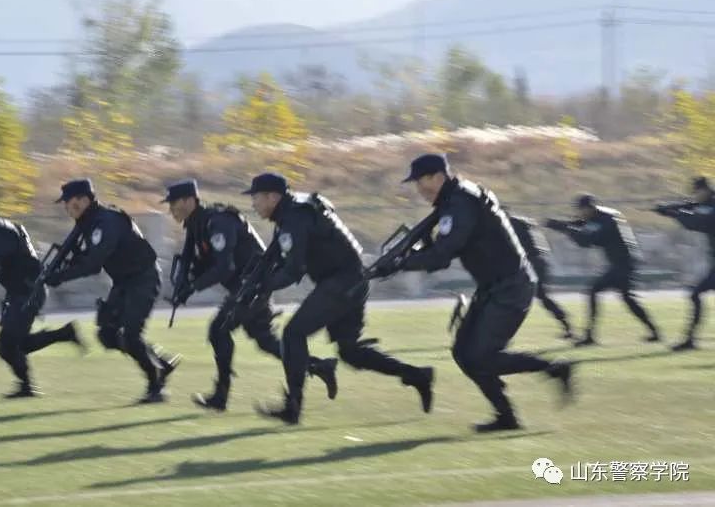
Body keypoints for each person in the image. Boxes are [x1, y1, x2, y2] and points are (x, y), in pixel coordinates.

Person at [382, 154, 573, 432]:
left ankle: (553, 368)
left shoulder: (460, 203)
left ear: (438, 177)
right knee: (463, 354)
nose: (419, 190)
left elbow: (441, 255)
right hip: (492, 287)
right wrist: (405, 258)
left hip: (511, 286)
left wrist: (401, 262)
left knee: (482, 356)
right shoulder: (452, 202)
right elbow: (440, 252)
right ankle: (506, 416)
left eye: (421, 182)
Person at [246, 173, 434, 425]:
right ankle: (417, 375)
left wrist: (262, 287)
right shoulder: (291, 213)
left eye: (256, 198)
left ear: (272, 196)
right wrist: (257, 281)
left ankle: (293, 407)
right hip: (348, 280)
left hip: (342, 282)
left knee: (293, 334)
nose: (253, 204)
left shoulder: (295, 217)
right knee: (350, 352)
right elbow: (277, 257)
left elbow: (293, 270)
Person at [161, 179, 338, 411]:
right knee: (266, 342)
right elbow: (187, 259)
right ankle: (318, 366)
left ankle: (221, 395)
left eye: (174, 203)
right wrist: (182, 287)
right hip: (245, 288)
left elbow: (224, 267)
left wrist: (193, 287)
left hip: (253, 286)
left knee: (218, 330)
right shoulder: (196, 224)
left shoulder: (218, 221)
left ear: (189, 201)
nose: (171, 209)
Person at [44, 179, 180, 404]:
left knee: (130, 335)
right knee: (107, 334)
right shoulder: (87, 223)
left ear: (84, 200)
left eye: (69, 202)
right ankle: (160, 362)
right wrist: (55, 269)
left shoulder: (107, 221)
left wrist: (60, 276)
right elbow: (79, 254)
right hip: (123, 282)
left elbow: (93, 263)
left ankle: (156, 384)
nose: (66, 208)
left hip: (143, 279)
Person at [0, 197, 84, 398]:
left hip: (28, 292)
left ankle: (27, 386)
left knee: (7, 345)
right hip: (21, 292)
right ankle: (63, 335)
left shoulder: (0, 234)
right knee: (14, 344)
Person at [547, 194, 661, 347]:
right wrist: (562, 225)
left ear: (589, 208)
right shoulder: (599, 217)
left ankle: (590, 336)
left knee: (598, 292)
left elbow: (587, 240)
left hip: (624, 263)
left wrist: (565, 228)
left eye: (581, 210)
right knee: (626, 298)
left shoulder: (608, 219)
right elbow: (581, 227)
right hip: (619, 264)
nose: (580, 213)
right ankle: (654, 331)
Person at [654, 176, 715, 351]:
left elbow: (697, 222)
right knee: (695, 295)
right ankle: (690, 340)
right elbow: (692, 212)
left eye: (697, 191)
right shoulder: (705, 206)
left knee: (695, 294)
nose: (694, 195)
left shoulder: (711, 207)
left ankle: (689, 340)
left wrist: (675, 214)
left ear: (705, 190)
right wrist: (671, 210)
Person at [507, 211, 573, 339]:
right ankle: (566, 324)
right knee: (542, 297)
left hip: (531, 264)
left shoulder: (510, 223)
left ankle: (502, 333)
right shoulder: (523, 222)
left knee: (515, 297)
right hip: (540, 262)